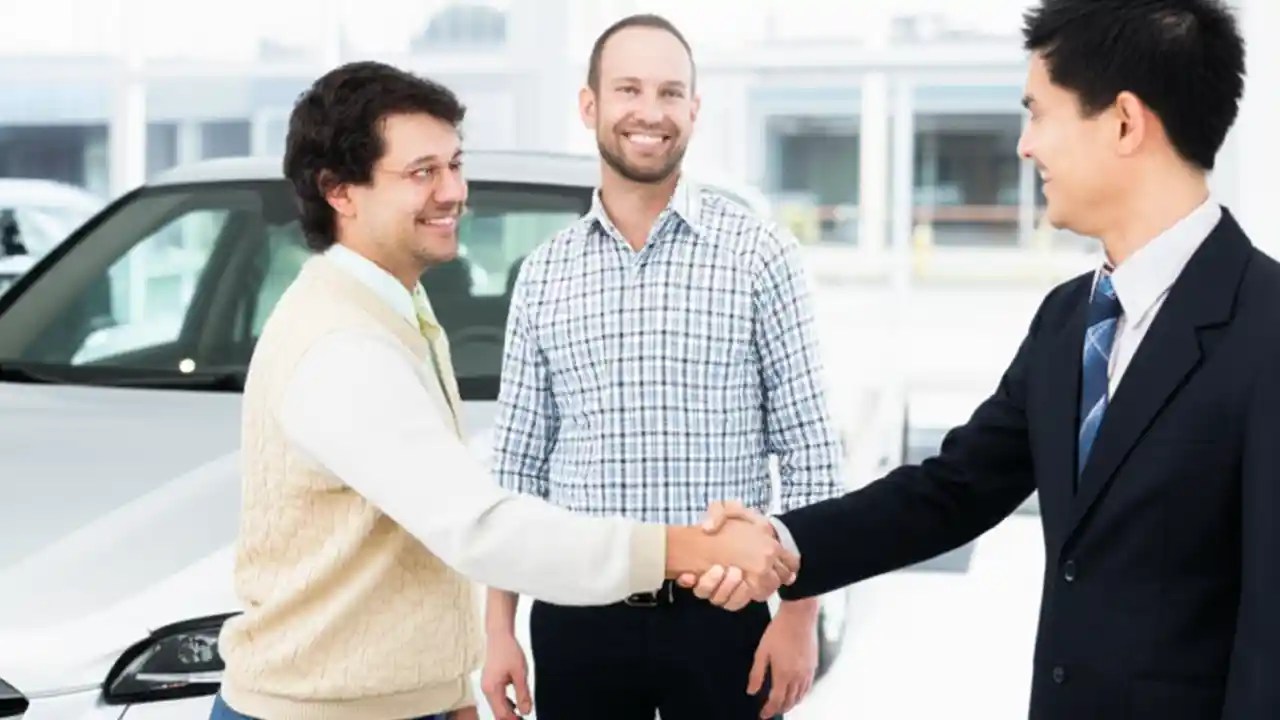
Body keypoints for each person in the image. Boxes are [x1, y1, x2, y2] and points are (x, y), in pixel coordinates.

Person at [689, 0, 1279, 718]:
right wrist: (784, 540)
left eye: (1039, 112)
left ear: (1125, 122)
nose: (1026, 146)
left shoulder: (1266, 327)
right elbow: (955, 488)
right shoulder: (1071, 317)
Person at [210, 61, 797, 720]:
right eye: (422, 172)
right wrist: (694, 547)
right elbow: (483, 528)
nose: (454, 191)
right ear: (340, 191)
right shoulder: (342, 347)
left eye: (454, 164)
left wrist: (449, 692)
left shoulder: (395, 309)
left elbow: (408, 542)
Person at [481, 13, 845, 720]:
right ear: (590, 106)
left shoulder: (759, 255)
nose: (650, 113)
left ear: (694, 110)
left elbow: (810, 452)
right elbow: (517, 469)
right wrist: (499, 628)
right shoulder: (544, 274)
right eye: (628, 90)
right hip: (576, 614)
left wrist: (799, 617)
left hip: (723, 617)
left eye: (670, 93)